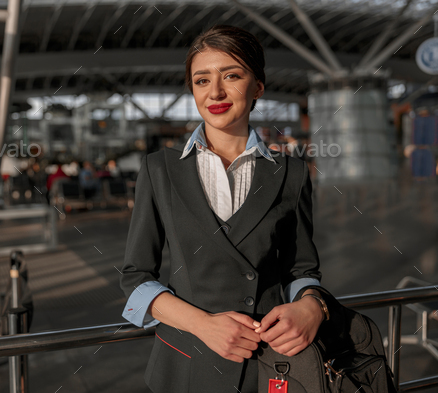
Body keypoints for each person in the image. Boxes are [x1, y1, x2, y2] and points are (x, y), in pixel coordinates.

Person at [119, 25, 329, 393]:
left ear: (258, 87)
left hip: (268, 362)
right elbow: (136, 279)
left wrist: (313, 306)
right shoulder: (159, 169)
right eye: (202, 80)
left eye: (231, 75)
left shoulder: (291, 172)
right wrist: (203, 325)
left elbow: (301, 269)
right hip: (184, 365)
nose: (215, 92)